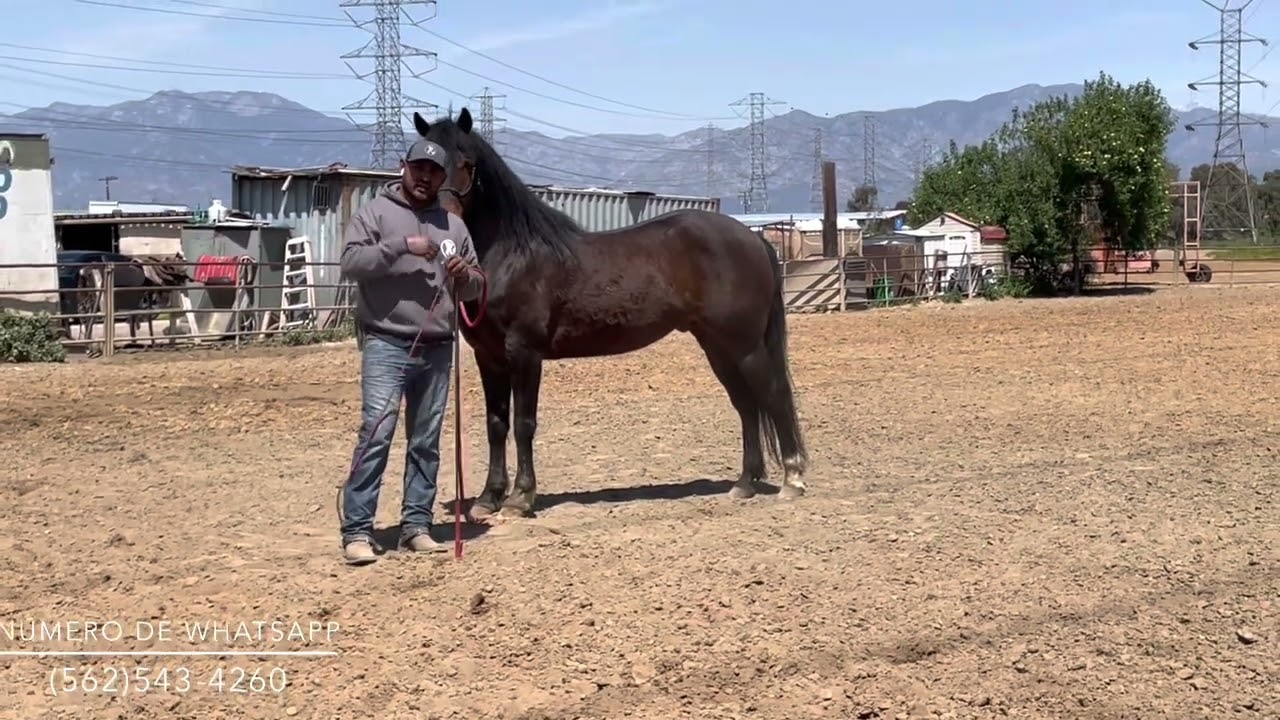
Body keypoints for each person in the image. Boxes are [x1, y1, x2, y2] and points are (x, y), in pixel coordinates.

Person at [336, 137, 485, 566]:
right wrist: (400, 246)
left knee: (426, 441)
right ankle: (358, 530)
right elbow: (351, 263)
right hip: (386, 341)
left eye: (434, 172)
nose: (425, 177)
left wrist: (464, 276)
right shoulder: (376, 213)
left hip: (438, 347)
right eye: (418, 168)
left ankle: (416, 525)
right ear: (404, 167)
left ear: (443, 178)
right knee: (377, 433)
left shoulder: (454, 227)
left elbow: (475, 284)